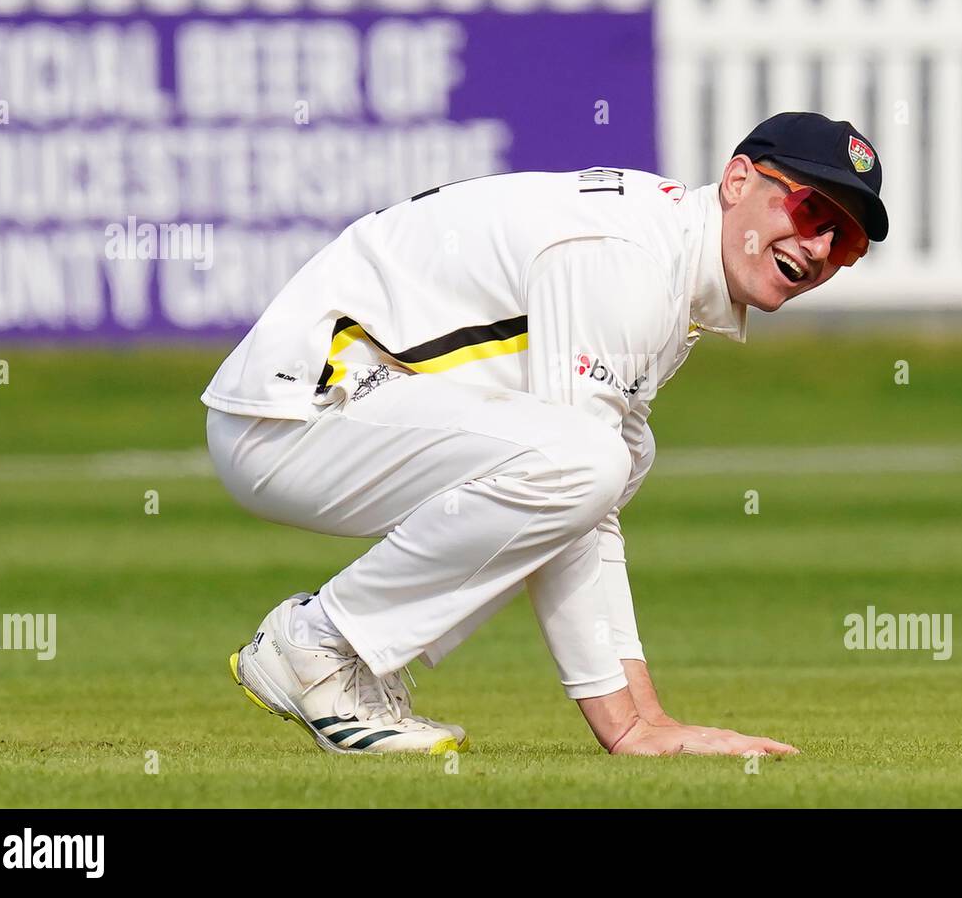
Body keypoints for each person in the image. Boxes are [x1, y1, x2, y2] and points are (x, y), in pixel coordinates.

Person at [203, 111, 889, 756]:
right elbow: (578, 481)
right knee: (588, 460)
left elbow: (591, 506)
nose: (819, 246)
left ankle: (341, 656)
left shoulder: (669, 256)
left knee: (616, 457)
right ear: (738, 180)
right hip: (293, 414)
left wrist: (647, 721)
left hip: (339, 399)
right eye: (809, 210)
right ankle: (319, 646)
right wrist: (628, 729)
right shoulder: (632, 263)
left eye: (846, 241)